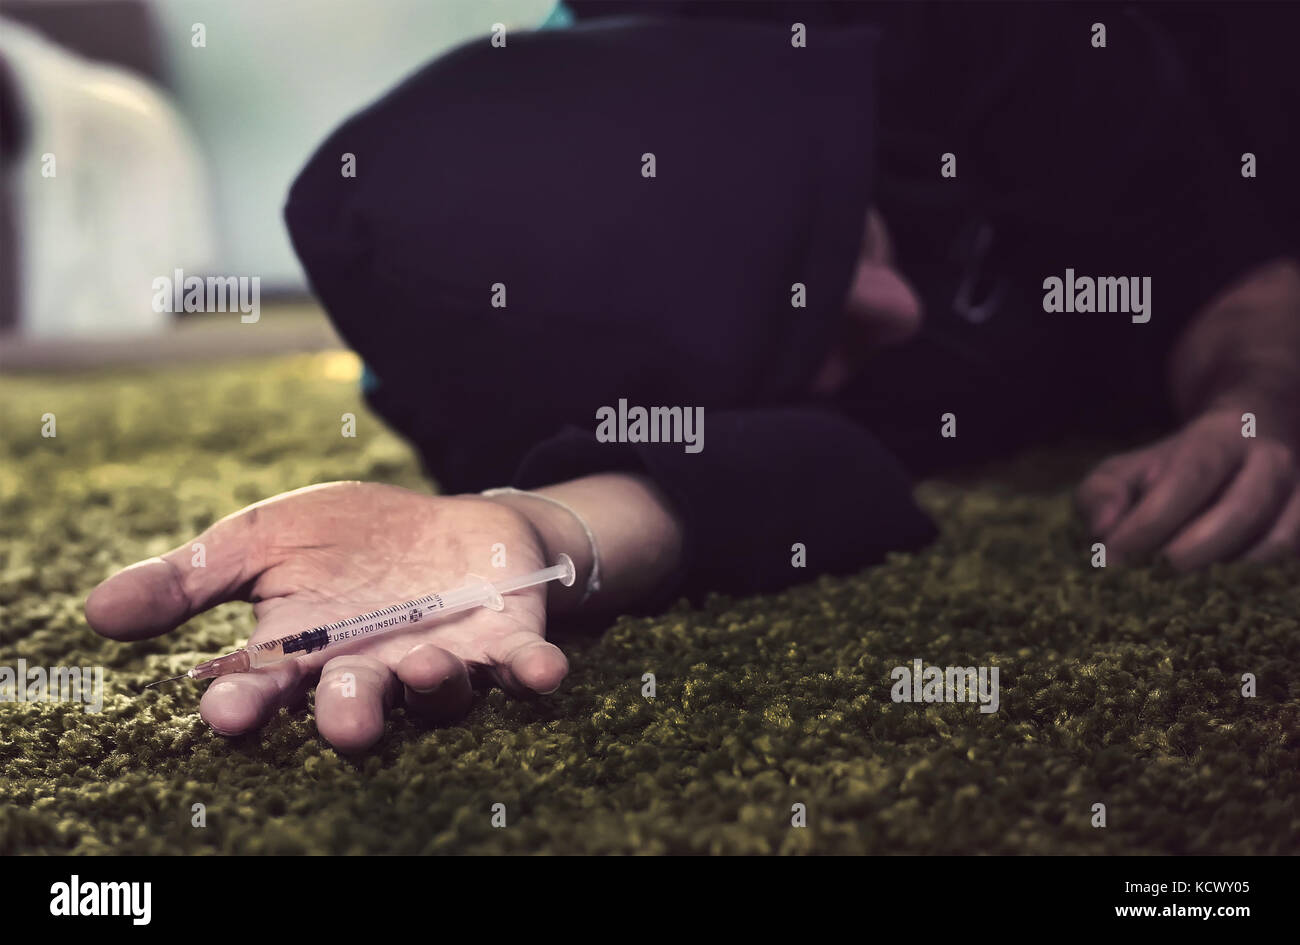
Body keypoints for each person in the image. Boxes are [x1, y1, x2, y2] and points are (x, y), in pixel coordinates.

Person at [86, 3, 1300, 752]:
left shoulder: (991, 38)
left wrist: (1249, 395)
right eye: (812, 336)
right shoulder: (516, 362)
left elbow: (1249, 258)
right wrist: (543, 522)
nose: (906, 311)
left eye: (840, 244)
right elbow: (817, 478)